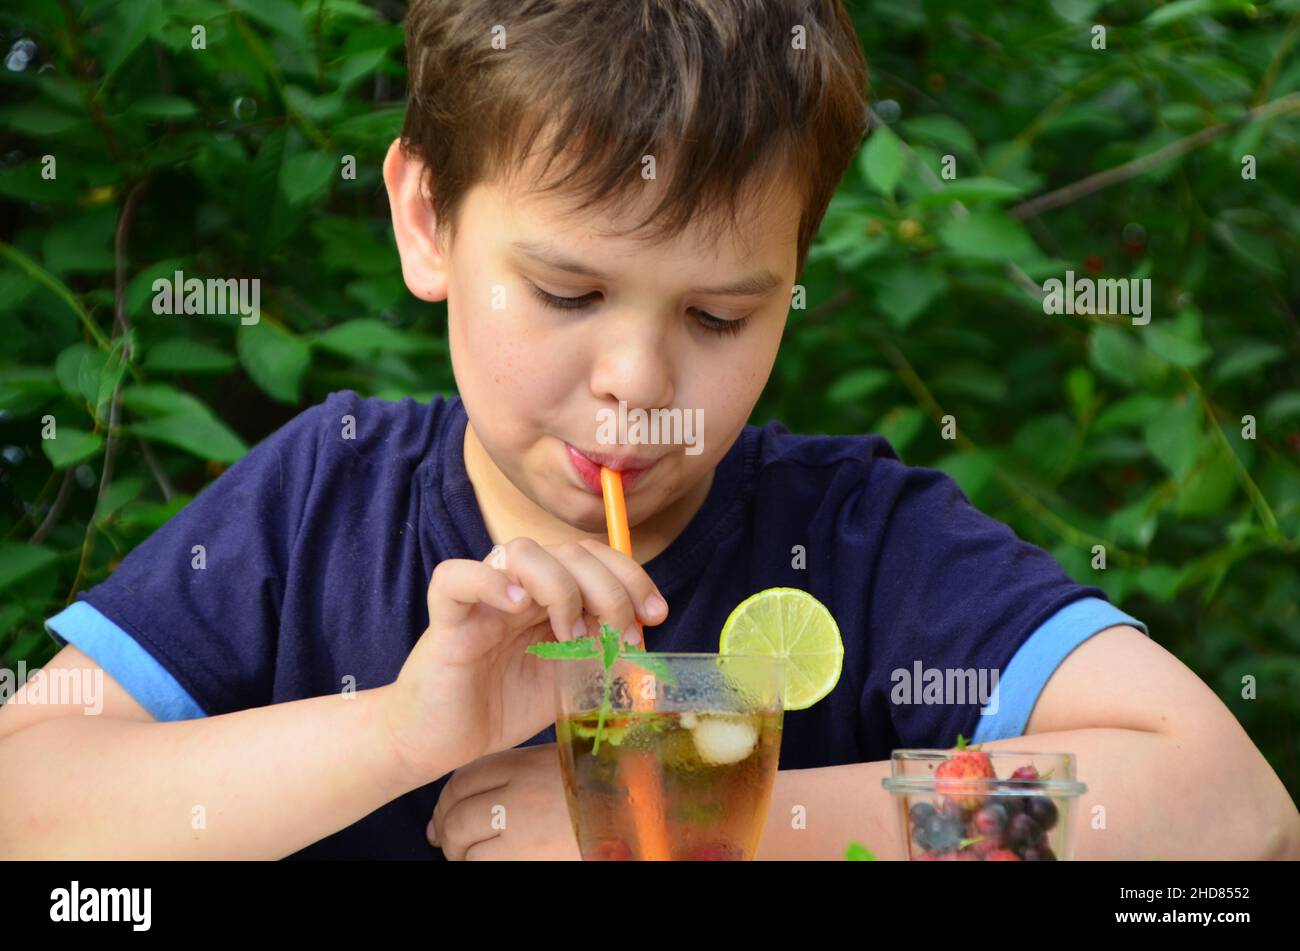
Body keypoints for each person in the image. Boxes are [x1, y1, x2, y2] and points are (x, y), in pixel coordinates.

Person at [3, 0, 1296, 861]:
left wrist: (705, 829)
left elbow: (1232, 813)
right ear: (426, 221)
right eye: (568, 294)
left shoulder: (859, 542)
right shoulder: (318, 504)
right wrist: (398, 733)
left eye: (722, 314)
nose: (636, 382)